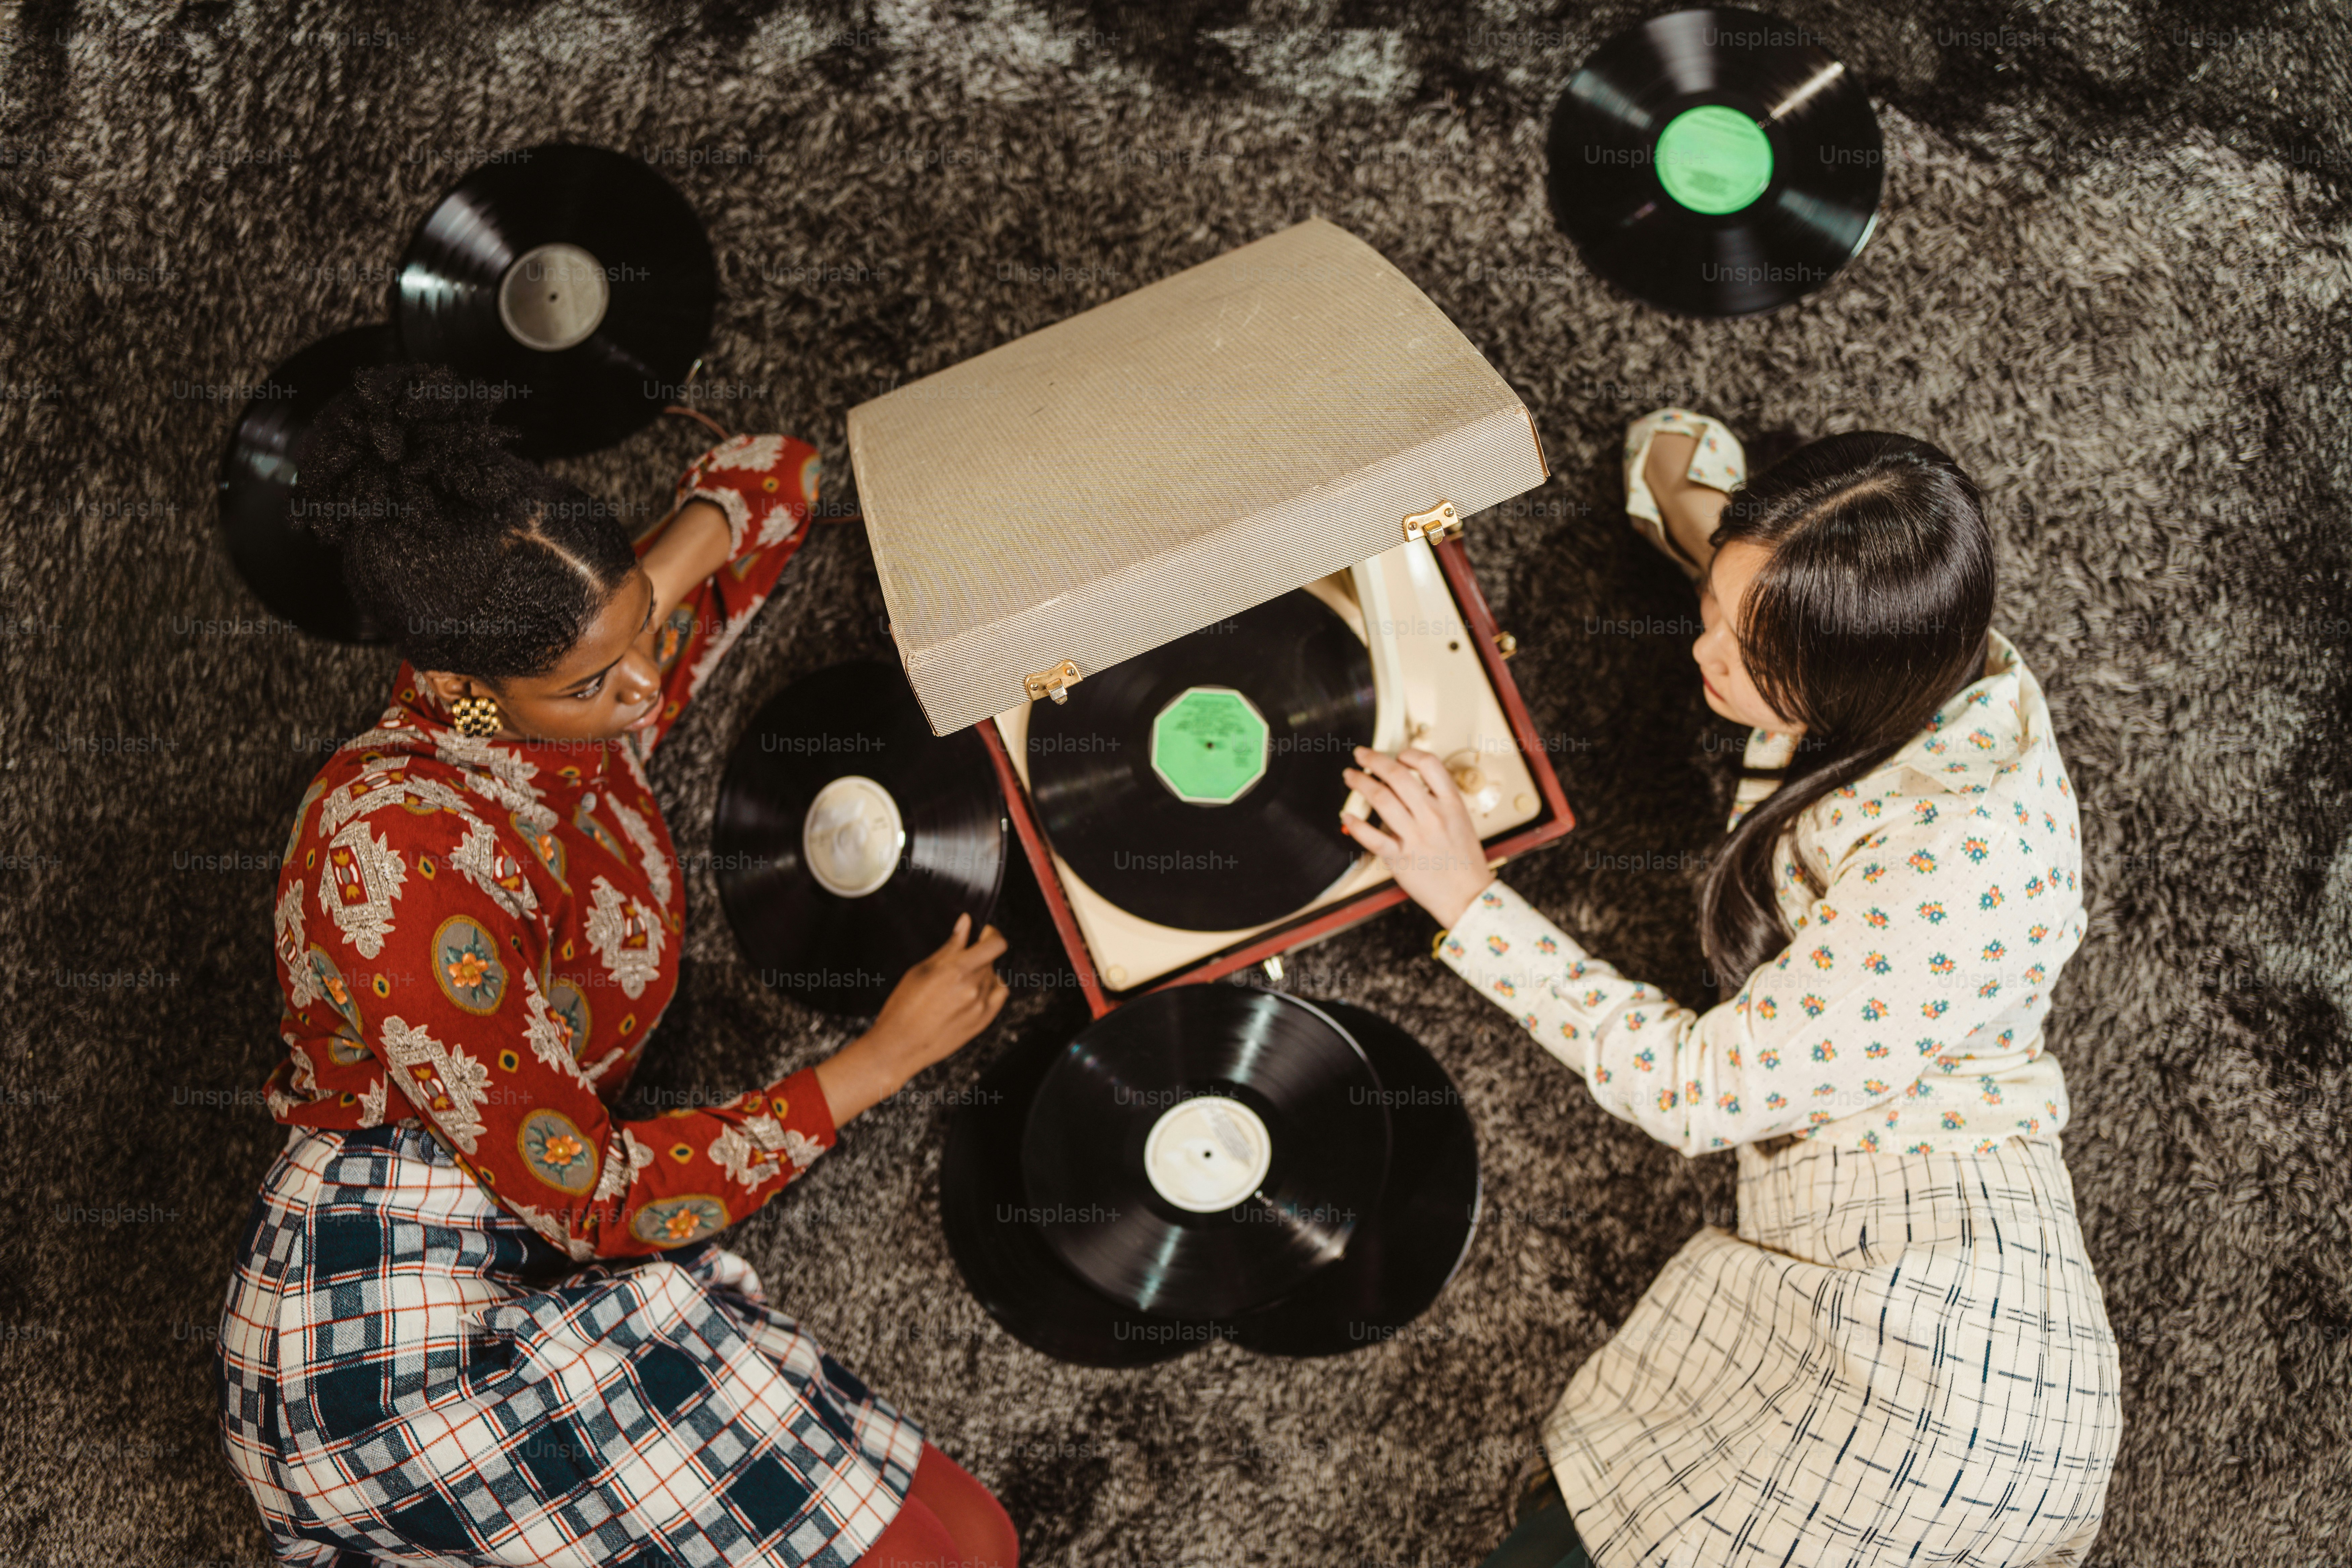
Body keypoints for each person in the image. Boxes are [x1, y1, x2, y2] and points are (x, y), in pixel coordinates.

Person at [214, 365, 1020, 1568]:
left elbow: (776, 473)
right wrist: (877, 1062)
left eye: (647, 636)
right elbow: (591, 1197)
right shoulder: (398, 850)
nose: (645, 693)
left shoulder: (566, 702)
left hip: (528, 1269)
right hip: (388, 1351)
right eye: (595, 681)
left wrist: (615, 598)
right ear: (462, 693)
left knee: (982, 1537)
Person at [1339, 411, 2122, 1568]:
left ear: (1848, 674)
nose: (1701, 653)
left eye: (1745, 651)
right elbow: (1696, 466)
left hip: (1937, 1391)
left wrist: (1469, 898)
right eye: (1714, 606)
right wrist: (1696, 508)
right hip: (1954, 1324)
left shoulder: (1950, 876)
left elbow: (1699, 1090)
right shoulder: (1941, 649)